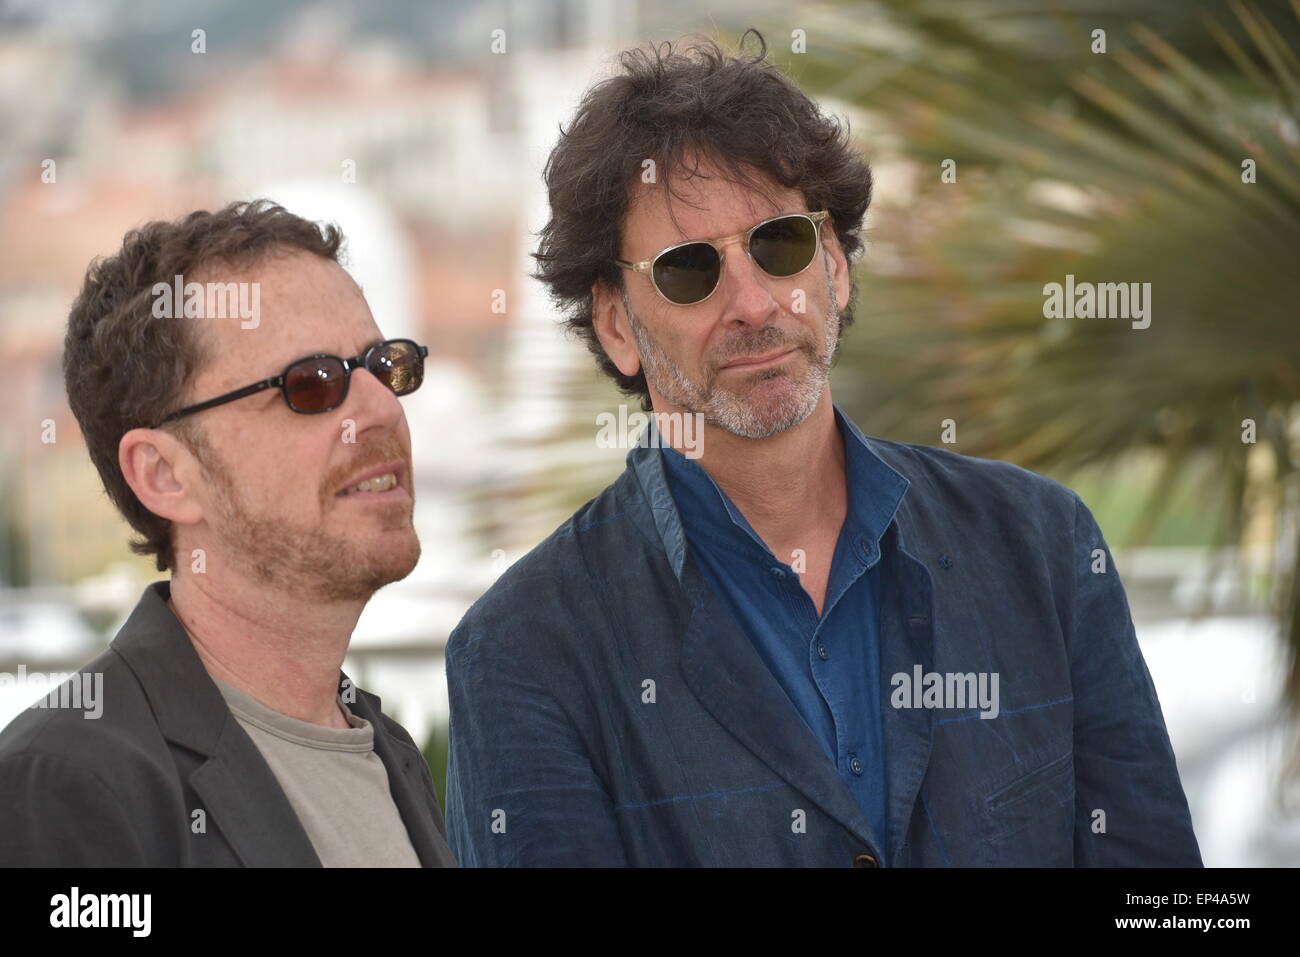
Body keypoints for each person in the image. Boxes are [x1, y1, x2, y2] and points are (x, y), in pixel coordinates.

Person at [443, 32, 1201, 867]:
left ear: (833, 265)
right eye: (690, 270)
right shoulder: (523, 652)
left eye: (781, 244)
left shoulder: (1043, 544)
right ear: (618, 322)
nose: (753, 302)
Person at [0, 200, 456, 867]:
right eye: (313, 383)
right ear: (163, 475)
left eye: (384, 365)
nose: (382, 408)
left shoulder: (390, 754)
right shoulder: (69, 781)